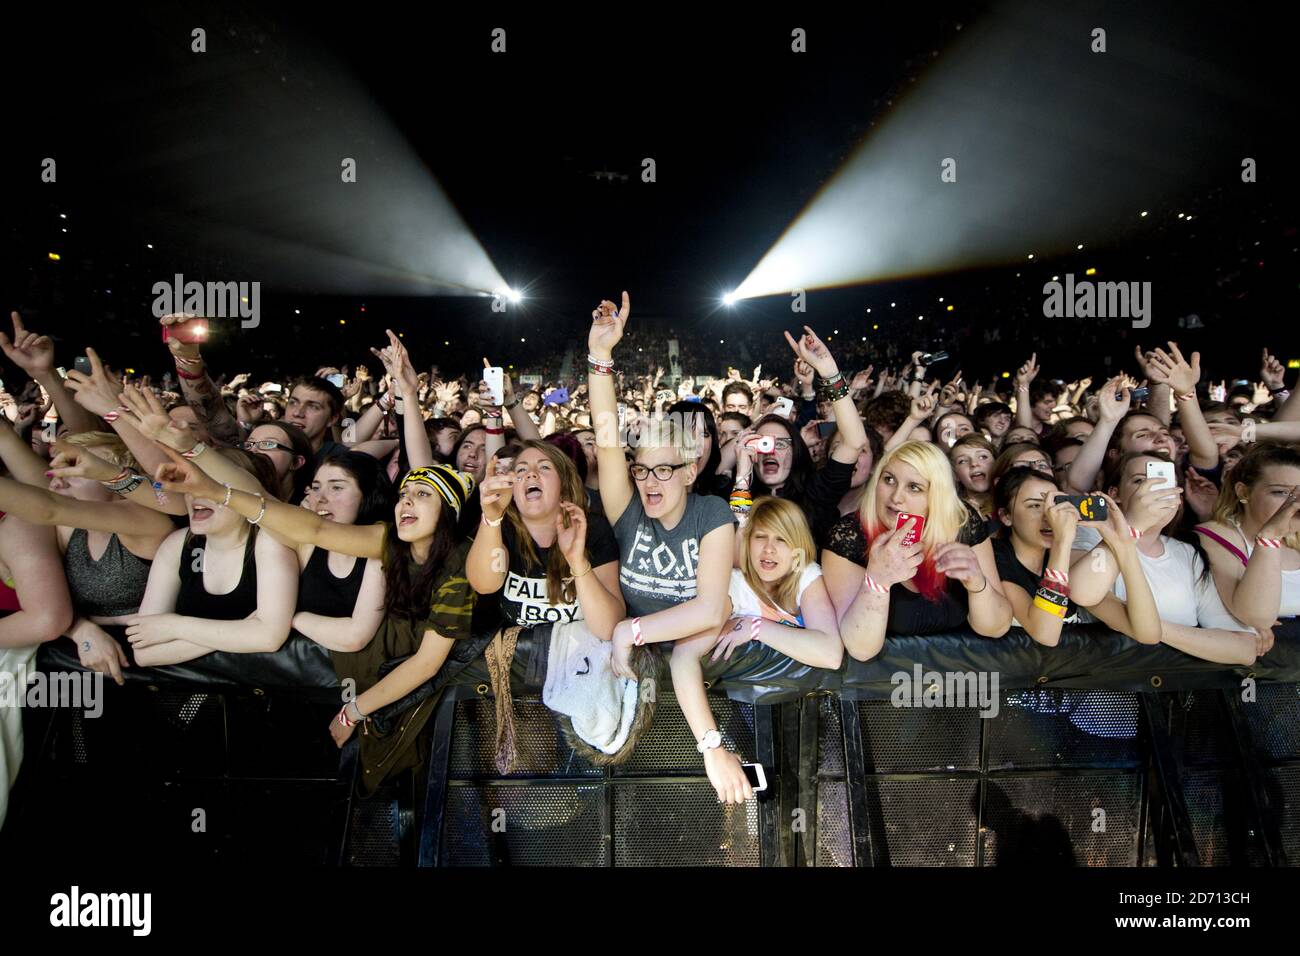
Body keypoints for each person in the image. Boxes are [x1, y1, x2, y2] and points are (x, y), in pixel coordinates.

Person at [153, 453, 479, 791]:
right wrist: (214, 488)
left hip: (438, 702)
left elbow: (426, 663)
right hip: (367, 685)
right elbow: (315, 528)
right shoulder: (388, 540)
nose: (407, 500)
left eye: (423, 494)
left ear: (450, 511)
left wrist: (352, 712)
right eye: (404, 494)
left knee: (430, 792)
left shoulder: (458, 568)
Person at [585, 293, 743, 803]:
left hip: (706, 688)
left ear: (691, 471)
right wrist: (601, 356)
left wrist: (632, 629)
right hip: (636, 689)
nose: (649, 481)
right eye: (642, 469)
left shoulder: (712, 515)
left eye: (665, 469)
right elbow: (607, 441)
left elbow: (709, 607)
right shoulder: (629, 511)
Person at [822, 441, 1013, 662]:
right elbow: (860, 649)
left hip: (958, 681)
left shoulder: (962, 522)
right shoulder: (848, 535)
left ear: (937, 496)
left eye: (914, 487)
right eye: (889, 479)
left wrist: (977, 585)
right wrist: (877, 582)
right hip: (885, 686)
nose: (896, 497)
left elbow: (996, 628)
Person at [1070, 452, 1259, 663]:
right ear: (1115, 494)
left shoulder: (1187, 553)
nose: (1152, 492)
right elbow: (1083, 592)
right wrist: (1134, 526)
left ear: (1178, 500)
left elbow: (1244, 648)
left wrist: (1151, 628)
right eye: (1140, 481)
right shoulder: (1090, 533)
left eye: (1164, 484)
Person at [122, 446, 300, 667]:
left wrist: (173, 626)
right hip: (192, 695)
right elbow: (144, 653)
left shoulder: (269, 543)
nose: (197, 494)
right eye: (190, 485)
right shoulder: (177, 545)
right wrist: (244, 628)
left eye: (212, 487)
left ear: (245, 498)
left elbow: (269, 638)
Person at [467, 439, 624, 635]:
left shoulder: (592, 529)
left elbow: (608, 628)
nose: (531, 473)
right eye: (522, 470)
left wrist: (577, 562)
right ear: (513, 490)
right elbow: (484, 585)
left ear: (563, 485)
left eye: (544, 467)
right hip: (518, 660)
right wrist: (492, 518)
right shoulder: (502, 528)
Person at [731, 326, 872, 546]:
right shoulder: (738, 494)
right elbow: (739, 536)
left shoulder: (816, 493)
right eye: (763, 443)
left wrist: (829, 372)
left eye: (782, 443)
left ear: (796, 450)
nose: (771, 449)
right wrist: (742, 475)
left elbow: (855, 441)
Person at [990, 469, 1161, 646]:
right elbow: (1045, 634)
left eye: (1055, 504)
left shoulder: (1072, 558)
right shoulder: (995, 555)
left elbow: (1147, 634)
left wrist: (1123, 545)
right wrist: (1062, 542)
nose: (1049, 515)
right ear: (1006, 516)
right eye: (1035, 505)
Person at [290, 452, 392, 658]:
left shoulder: (380, 547)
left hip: (355, 679)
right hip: (299, 674)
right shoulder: (304, 544)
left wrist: (291, 619)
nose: (320, 498)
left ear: (368, 493)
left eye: (336, 487)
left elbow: (355, 637)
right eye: (316, 487)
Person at [1193, 443, 1300, 630]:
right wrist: (1270, 538)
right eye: (1280, 492)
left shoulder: (1296, 540)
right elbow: (1255, 615)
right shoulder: (1216, 535)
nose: (1293, 503)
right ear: (1243, 492)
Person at [950, 434, 998, 520]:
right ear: (956, 475)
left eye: (983, 457)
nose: (974, 463)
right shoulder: (949, 512)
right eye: (962, 461)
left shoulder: (1011, 505)